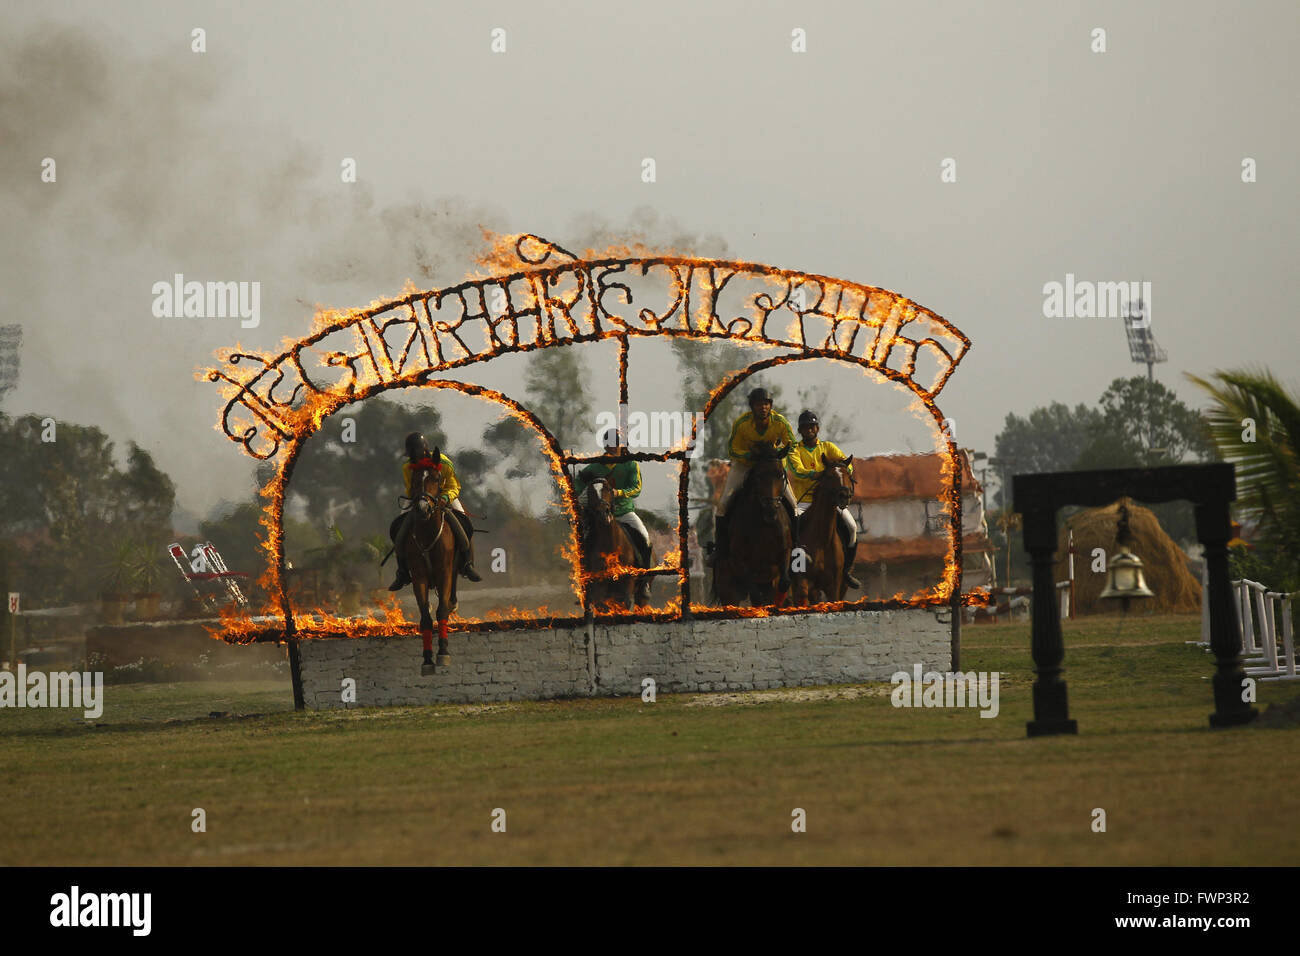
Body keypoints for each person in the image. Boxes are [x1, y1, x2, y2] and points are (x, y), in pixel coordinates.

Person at [708, 387, 798, 565]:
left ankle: (797, 549)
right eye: (758, 404)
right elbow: (732, 449)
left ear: (770, 406)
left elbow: (792, 444)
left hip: (771, 467)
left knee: (794, 505)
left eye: (766, 404)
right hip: (745, 465)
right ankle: (720, 549)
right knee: (723, 504)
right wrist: (749, 456)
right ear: (752, 407)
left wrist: (775, 453)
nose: (762, 407)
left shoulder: (780, 422)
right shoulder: (741, 424)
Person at [388, 431, 481, 591]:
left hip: (446, 496)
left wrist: (444, 498)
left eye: (415, 453)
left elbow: (454, 486)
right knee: (398, 527)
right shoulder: (407, 467)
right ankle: (402, 571)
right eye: (411, 454)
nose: (413, 456)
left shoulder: (444, 462)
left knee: (465, 523)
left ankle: (467, 564)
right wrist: (421, 500)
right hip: (421, 499)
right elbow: (410, 489)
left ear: (424, 450)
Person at [785, 410, 863, 590]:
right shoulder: (795, 450)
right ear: (800, 430)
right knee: (791, 529)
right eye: (805, 427)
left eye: (812, 426)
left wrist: (843, 472)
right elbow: (796, 471)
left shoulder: (828, 447)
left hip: (829, 502)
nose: (809, 430)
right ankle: (792, 570)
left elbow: (846, 464)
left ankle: (846, 571)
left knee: (851, 527)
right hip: (804, 502)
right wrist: (817, 474)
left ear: (817, 428)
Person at [574, 429, 653, 575]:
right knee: (582, 544)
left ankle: (645, 579)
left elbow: (636, 488)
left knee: (645, 539)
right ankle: (585, 582)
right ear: (605, 445)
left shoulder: (630, 464)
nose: (612, 447)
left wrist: (618, 493)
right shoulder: (595, 466)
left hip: (624, 513)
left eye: (616, 443)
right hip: (600, 517)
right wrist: (579, 498)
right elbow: (578, 483)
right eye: (609, 444)